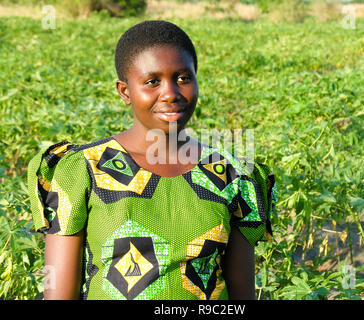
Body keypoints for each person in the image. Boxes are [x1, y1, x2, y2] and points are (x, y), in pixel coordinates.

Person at [27, 20, 277, 300]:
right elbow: (59, 295)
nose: (171, 93)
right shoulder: (84, 170)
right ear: (125, 91)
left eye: (183, 78)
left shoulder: (234, 175)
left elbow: (242, 294)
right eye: (152, 81)